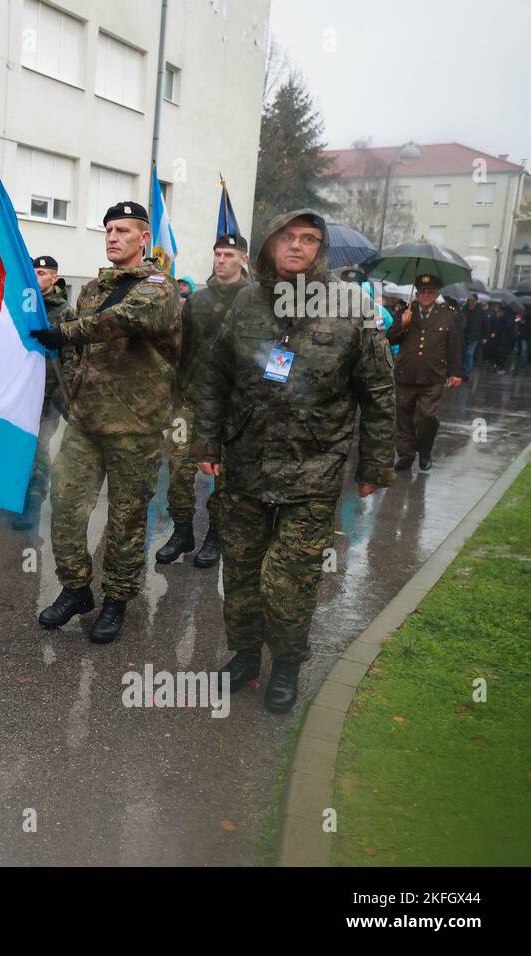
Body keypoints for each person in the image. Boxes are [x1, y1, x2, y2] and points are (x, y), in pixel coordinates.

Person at [192, 209, 395, 715]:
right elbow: (214, 376)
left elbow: (379, 390)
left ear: (321, 250)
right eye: (287, 236)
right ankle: (243, 658)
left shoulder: (351, 307)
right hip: (245, 466)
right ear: (268, 245)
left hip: (314, 470)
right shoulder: (245, 303)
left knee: (286, 582)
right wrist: (205, 444)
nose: (297, 246)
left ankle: (285, 665)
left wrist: (375, 466)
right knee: (239, 572)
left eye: (309, 239)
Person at [29, 201, 180, 643]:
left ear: (143, 239)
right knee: (66, 506)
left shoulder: (160, 286)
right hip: (87, 423)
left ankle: (116, 599)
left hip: (135, 428)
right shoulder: (93, 287)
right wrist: (74, 386)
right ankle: (76, 587)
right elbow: (77, 347)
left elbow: (130, 320)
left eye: (123, 231)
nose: (113, 237)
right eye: (108, 229)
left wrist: (68, 333)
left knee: (125, 519)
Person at [156, 233, 249, 567]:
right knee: (179, 466)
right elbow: (180, 350)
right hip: (191, 401)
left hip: (232, 407)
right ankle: (183, 530)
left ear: (244, 259)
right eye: (217, 254)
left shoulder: (255, 302)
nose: (221, 260)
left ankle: (215, 536)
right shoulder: (198, 301)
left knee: (225, 476)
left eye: (228, 254)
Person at [12, 254, 76, 531]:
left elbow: (73, 356)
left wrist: (67, 395)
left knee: (37, 449)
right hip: (22, 392)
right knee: (19, 445)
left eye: (41, 273)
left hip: (49, 394)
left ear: (54, 278)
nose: (36, 277)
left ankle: (34, 504)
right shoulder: (22, 307)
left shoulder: (64, 312)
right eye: (33, 271)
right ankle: (15, 494)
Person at [387, 274, 462, 473]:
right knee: (402, 417)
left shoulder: (447, 315)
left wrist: (455, 373)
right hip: (406, 373)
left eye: (430, 292)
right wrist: (402, 323)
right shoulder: (406, 311)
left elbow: (454, 346)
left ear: (437, 294)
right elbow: (390, 339)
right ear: (417, 293)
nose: (426, 295)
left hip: (433, 375)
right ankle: (405, 455)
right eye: (422, 292)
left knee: (427, 418)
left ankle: (425, 450)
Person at [461, 294, 483, 380]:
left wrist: (485, 336)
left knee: (469, 353)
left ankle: (466, 372)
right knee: (463, 353)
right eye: (470, 300)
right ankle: (462, 370)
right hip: (464, 335)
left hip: (474, 336)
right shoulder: (464, 310)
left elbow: (485, 323)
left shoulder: (480, 311)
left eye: (473, 301)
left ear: (476, 301)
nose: (471, 302)